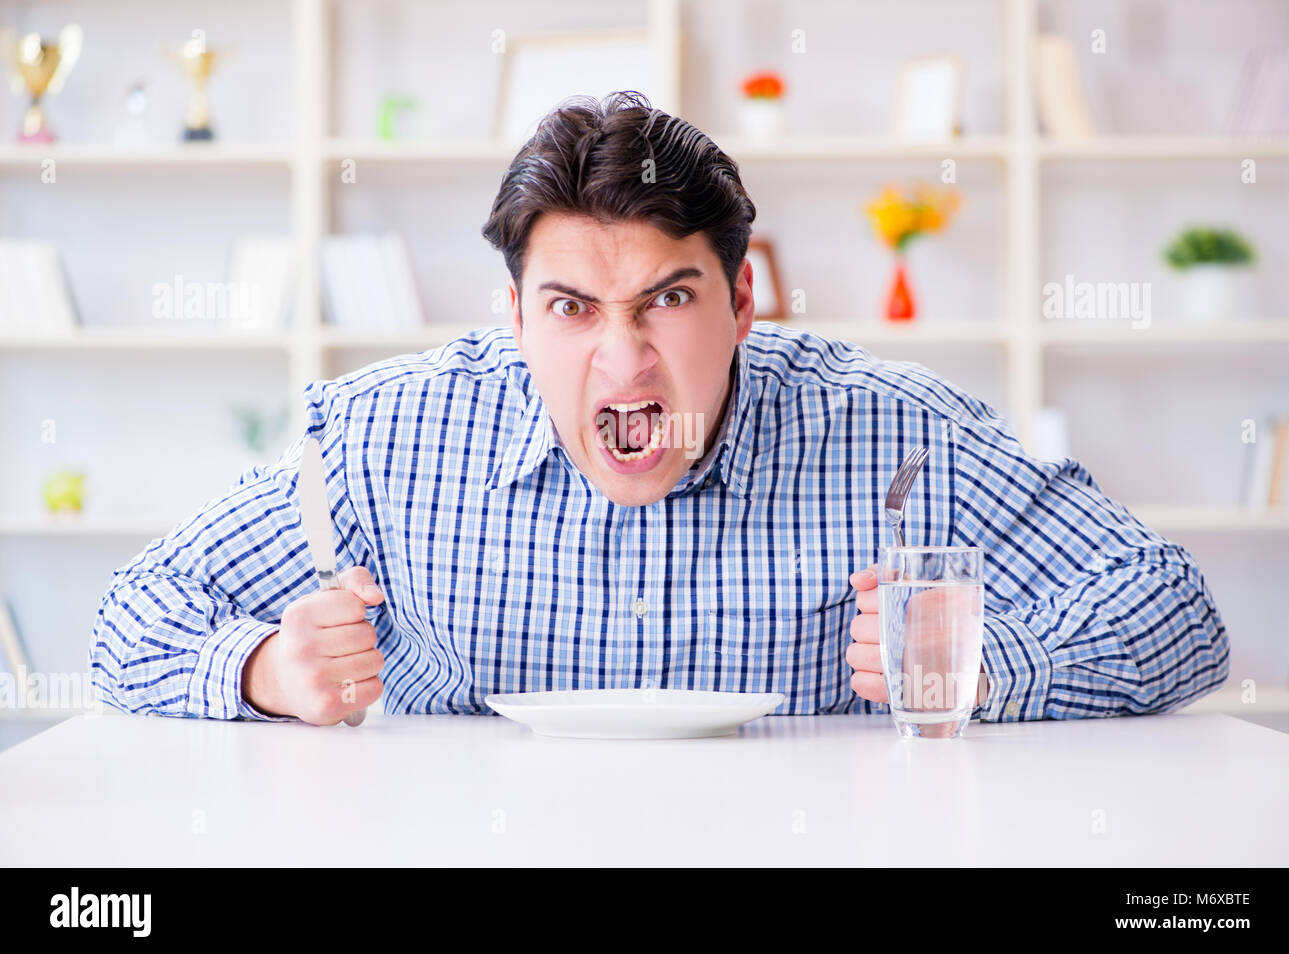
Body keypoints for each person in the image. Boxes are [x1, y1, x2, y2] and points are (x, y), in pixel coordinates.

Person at [90, 91, 1229, 726]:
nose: (622, 360)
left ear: (741, 300)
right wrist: (262, 672)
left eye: (667, 299)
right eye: (573, 308)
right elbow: (135, 612)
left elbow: (1178, 612)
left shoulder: (901, 436)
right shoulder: (387, 440)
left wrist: (988, 668)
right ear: (516, 316)